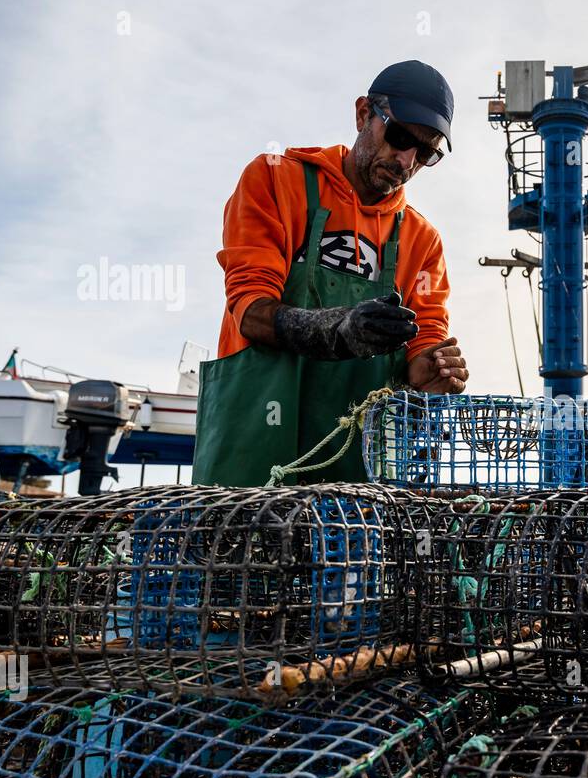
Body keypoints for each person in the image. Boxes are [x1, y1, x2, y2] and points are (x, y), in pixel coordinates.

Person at [193, 60, 468, 486]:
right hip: (254, 443)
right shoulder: (274, 179)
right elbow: (249, 309)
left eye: (426, 152)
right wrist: (338, 330)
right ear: (363, 114)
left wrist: (432, 368)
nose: (406, 161)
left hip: (357, 468)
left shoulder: (422, 239)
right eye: (399, 137)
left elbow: (425, 338)